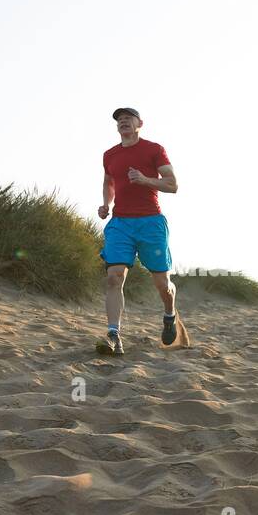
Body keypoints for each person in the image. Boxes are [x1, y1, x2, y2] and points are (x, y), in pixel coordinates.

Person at [97, 107, 179, 355]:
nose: (123, 121)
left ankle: (169, 314)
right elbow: (108, 182)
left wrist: (145, 180)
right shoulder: (109, 154)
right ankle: (113, 334)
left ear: (139, 123)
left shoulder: (154, 149)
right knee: (114, 277)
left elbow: (172, 184)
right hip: (120, 223)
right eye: (119, 119)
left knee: (162, 283)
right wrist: (106, 204)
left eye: (128, 118)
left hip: (150, 222)